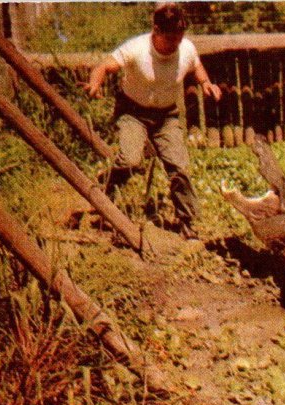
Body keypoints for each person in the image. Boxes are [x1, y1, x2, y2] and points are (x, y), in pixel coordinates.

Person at [83, 2, 221, 239]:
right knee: (130, 160)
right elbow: (104, 66)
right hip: (133, 113)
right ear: (156, 30)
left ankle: (187, 221)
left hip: (167, 115)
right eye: (170, 39)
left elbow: (196, 65)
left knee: (179, 166)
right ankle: (107, 189)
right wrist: (95, 82)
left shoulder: (186, 48)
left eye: (179, 38)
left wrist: (206, 83)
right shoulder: (137, 48)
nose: (175, 44)